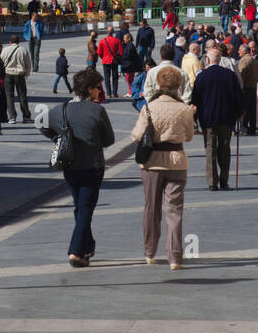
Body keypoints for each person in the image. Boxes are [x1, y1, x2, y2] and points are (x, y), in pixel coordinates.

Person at [38, 68, 115, 267]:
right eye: (98, 87)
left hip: (69, 165)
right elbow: (109, 140)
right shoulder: (97, 110)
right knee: (86, 209)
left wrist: (56, 137)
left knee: (80, 206)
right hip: (92, 166)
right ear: (89, 89)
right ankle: (75, 251)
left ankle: (87, 246)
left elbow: (41, 124)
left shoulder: (61, 109)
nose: (100, 91)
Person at [132, 65, 195, 269]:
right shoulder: (184, 109)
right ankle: (175, 257)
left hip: (152, 162)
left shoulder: (149, 107)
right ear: (178, 85)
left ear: (159, 84)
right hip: (177, 160)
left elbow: (136, 135)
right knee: (174, 211)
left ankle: (150, 252)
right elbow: (189, 136)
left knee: (151, 208)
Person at [191, 47, 243, 191]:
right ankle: (224, 181)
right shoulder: (229, 75)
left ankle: (212, 182)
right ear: (219, 60)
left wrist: (194, 119)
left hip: (207, 119)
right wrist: (239, 113)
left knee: (210, 150)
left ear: (207, 60)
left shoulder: (202, 76)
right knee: (225, 150)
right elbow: (238, 96)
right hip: (226, 118)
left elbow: (195, 99)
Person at [1, 35, 33, 124]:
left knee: (9, 96)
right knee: (22, 96)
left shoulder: (5, 50)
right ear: (18, 42)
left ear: (10, 42)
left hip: (8, 74)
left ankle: (12, 117)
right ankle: (26, 116)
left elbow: (1, 61)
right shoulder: (23, 50)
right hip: (19, 75)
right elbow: (28, 64)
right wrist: (27, 74)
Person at [96, 25, 123, 99]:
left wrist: (103, 57)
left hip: (105, 61)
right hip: (114, 61)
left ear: (106, 32)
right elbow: (121, 52)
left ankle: (108, 93)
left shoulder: (102, 41)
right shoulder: (117, 40)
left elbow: (98, 52)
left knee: (107, 78)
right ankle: (114, 93)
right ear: (113, 32)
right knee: (115, 77)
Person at [237, 43, 258, 134]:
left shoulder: (244, 60)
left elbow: (241, 74)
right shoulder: (254, 60)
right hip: (253, 86)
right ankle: (252, 127)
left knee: (244, 108)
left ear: (244, 51)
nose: (238, 52)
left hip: (246, 87)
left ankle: (244, 126)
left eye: (240, 50)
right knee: (252, 109)